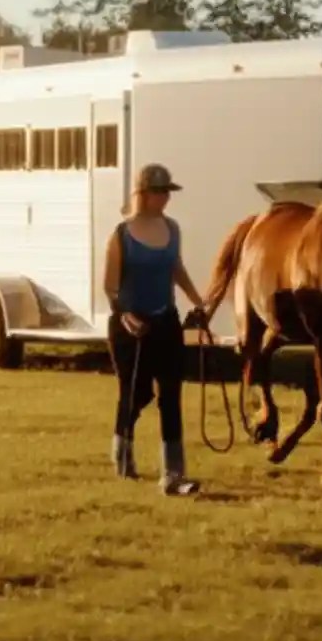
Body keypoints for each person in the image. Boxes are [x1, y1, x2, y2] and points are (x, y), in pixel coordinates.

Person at [103, 162, 207, 497]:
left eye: (168, 193)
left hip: (166, 322)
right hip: (130, 326)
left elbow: (176, 267)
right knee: (136, 394)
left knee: (171, 395)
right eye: (160, 192)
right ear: (144, 194)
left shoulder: (172, 230)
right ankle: (122, 454)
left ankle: (173, 474)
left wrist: (197, 300)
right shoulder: (121, 234)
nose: (165, 198)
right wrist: (124, 315)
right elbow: (110, 286)